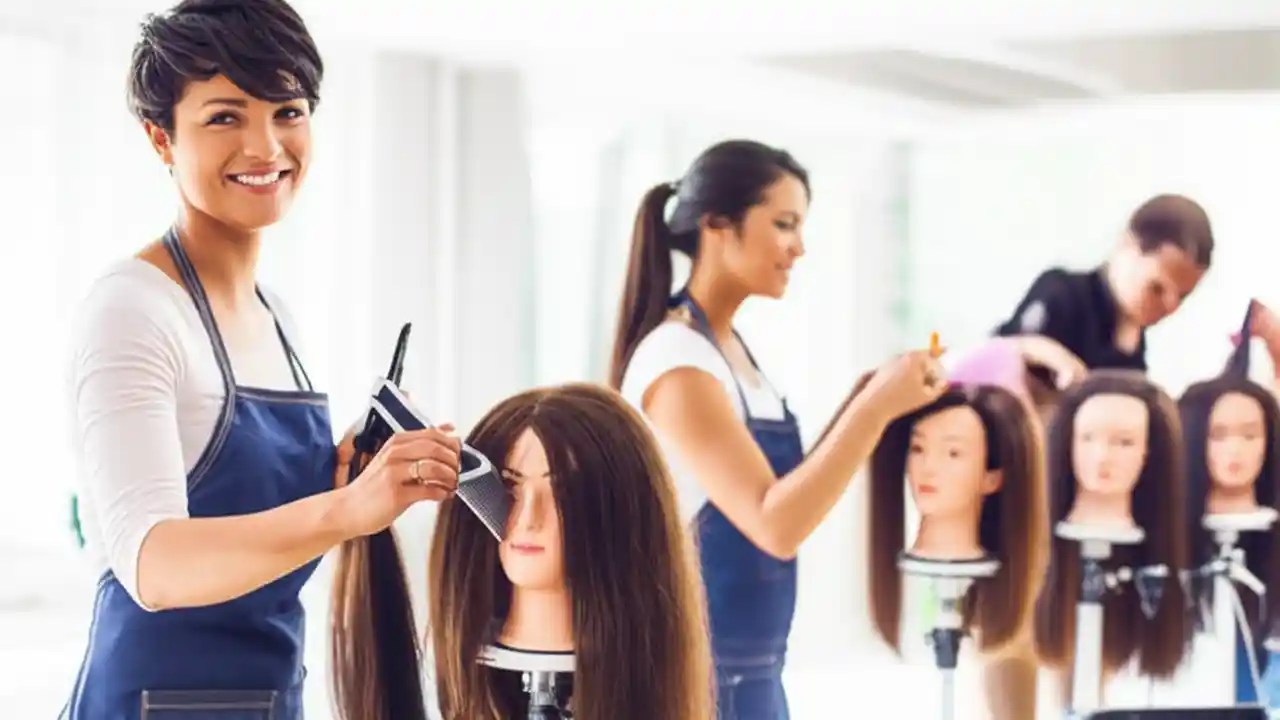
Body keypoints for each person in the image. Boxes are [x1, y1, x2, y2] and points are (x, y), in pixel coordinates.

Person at [60, 2, 460, 717]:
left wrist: (356, 484)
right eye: (224, 117)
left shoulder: (279, 318)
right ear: (161, 139)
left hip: (268, 695)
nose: (265, 146)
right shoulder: (132, 308)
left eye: (288, 110)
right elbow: (154, 565)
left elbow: (279, 537)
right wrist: (342, 510)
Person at [609, 139, 945, 718]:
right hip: (700, 682)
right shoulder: (676, 360)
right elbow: (775, 523)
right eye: (784, 223)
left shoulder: (730, 351)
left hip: (758, 674)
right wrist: (873, 411)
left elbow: (781, 491)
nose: (799, 248)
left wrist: (865, 401)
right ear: (717, 225)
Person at [993, 193, 1214, 388]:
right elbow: (998, 352)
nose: (1170, 307)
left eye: (1182, 297)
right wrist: (1049, 355)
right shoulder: (1063, 292)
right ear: (1127, 245)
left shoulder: (1135, 339)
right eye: (1156, 288)